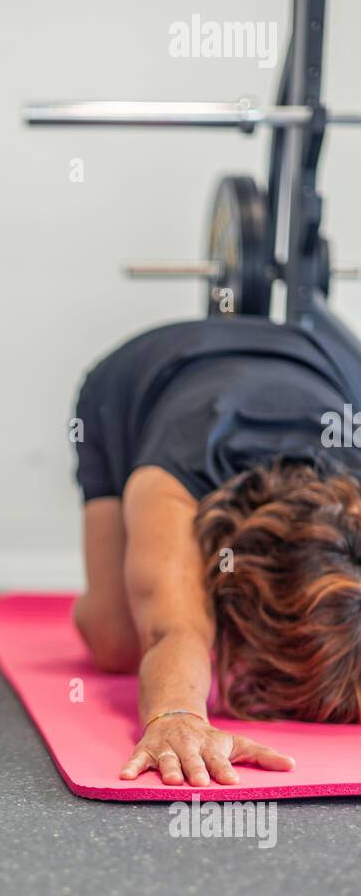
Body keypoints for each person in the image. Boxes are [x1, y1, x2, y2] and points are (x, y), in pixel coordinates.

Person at [72, 310, 361, 786]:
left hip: (321, 358)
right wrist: (175, 715)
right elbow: (174, 630)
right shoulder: (175, 482)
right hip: (141, 375)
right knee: (115, 640)